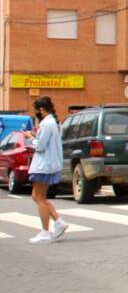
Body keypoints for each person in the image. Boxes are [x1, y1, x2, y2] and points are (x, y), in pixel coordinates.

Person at [26, 97, 68, 244]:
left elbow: (40, 146)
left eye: (37, 111)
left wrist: (30, 137)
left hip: (44, 165)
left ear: (41, 110)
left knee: (40, 198)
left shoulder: (47, 124)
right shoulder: (54, 123)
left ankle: (45, 232)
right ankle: (58, 221)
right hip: (49, 164)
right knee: (36, 196)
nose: (36, 113)